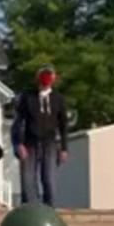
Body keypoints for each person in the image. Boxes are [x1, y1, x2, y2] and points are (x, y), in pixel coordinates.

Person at [10, 65, 69, 205]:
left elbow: (63, 125)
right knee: (28, 179)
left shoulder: (58, 99)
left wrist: (64, 148)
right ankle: (31, 208)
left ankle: (49, 208)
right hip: (30, 142)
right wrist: (18, 144)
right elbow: (18, 122)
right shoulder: (27, 97)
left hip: (49, 142)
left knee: (49, 179)